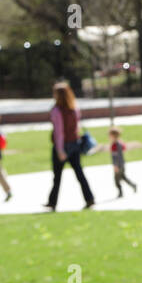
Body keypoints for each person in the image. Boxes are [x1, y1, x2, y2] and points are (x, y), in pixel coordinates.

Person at [44, 82, 94, 211]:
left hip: (62, 146)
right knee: (79, 173)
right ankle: (89, 198)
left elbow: (59, 132)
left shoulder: (57, 110)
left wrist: (60, 150)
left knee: (57, 176)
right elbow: (76, 128)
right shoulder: (74, 109)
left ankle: (52, 202)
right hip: (74, 144)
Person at [109, 127, 138, 197]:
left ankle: (120, 192)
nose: (109, 137)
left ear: (113, 136)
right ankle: (133, 185)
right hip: (122, 164)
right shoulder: (119, 143)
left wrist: (116, 166)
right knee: (123, 177)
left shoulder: (115, 145)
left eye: (110, 136)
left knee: (116, 180)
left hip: (118, 165)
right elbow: (123, 149)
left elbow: (116, 157)